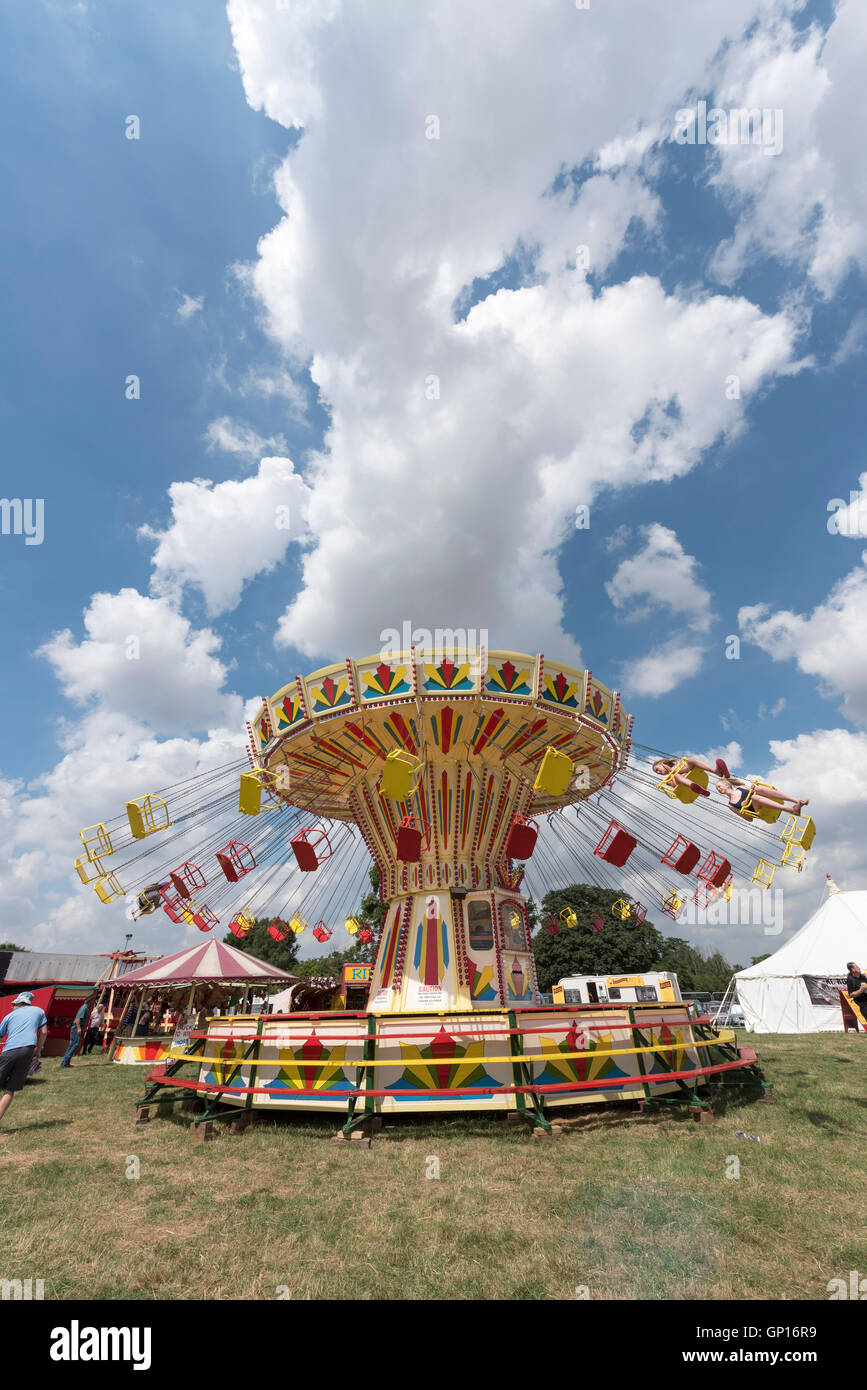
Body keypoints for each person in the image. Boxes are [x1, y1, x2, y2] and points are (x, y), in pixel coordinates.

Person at [0, 992, 48, 1125]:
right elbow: (44, 1032)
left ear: (18, 1003)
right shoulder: (39, 1011)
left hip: (9, 1050)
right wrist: (38, 1050)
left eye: (13, 1005)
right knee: (10, 1089)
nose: (12, 1007)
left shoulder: (9, 1016)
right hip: (28, 1051)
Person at [715, 777, 808, 818]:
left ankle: (798, 801)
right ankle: (790, 810)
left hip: (769, 801)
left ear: (727, 784)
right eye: (716, 788)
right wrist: (744, 807)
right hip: (761, 812)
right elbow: (749, 819)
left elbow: (755, 790)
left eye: (719, 786)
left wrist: (753, 787)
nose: (718, 789)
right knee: (754, 798)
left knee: (758, 788)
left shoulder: (742, 787)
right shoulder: (731, 805)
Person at [652, 755, 731, 795]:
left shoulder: (677, 765)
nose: (658, 772)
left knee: (691, 760)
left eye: (657, 770)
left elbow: (686, 769)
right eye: (657, 773)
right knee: (676, 775)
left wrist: (674, 769)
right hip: (686, 786)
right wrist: (671, 771)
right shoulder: (667, 780)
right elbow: (675, 785)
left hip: (691, 773)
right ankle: (696, 787)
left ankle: (717, 771)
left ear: (661, 763)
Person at [60, 993, 94, 1068]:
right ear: (89, 1000)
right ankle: (65, 1062)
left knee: (72, 1044)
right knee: (75, 1044)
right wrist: (79, 1028)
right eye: (92, 1000)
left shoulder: (86, 1007)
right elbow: (78, 1019)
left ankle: (65, 1063)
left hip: (76, 1027)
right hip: (76, 1027)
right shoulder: (84, 1008)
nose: (93, 1001)